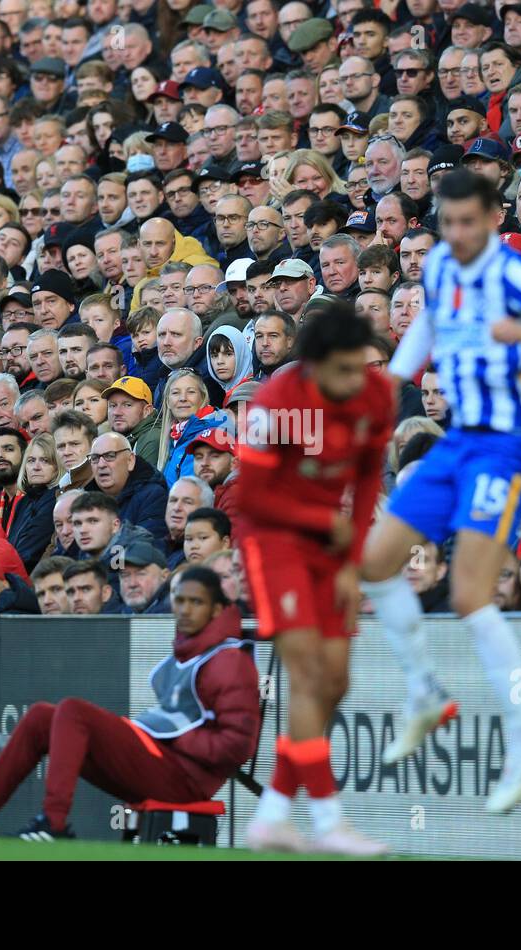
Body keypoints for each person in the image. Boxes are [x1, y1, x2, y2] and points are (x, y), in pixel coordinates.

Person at [360, 171, 521, 820]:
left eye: (469, 222)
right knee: (375, 562)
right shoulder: (442, 264)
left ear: (495, 217)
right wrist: (389, 381)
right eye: (447, 223)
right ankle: (425, 692)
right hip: (457, 439)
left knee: (472, 594)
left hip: (506, 444)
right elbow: (425, 329)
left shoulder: (517, 273)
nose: (457, 235)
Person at [233, 298, 393, 856]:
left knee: (335, 682)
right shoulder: (276, 402)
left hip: (331, 547)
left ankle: (273, 814)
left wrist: (352, 562)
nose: (357, 380)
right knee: (307, 676)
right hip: (272, 540)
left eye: (361, 366)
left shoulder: (376, 395)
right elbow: (251, 496)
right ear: (314, 365)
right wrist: (326, 519)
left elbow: (370, 476)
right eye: (344, 370)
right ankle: (330, 824)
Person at [0, 567, 258, 840]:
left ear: (218, 610)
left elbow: (237, 748)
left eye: (197, 602)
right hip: (162, 761)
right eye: (180, 600)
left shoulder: (229, 660)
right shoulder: (191, 650)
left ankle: (53, 822)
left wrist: (176, 737)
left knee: (74, 711)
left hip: (186, 781)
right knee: (42, 716)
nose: (185, 610)